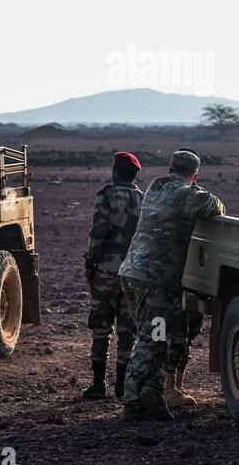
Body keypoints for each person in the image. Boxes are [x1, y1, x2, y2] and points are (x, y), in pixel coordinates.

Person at [119, 149, 225, 421]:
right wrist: (197, 189)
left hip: (133, 274)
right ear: (195, 175)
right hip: (155, 280)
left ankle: (151, 393)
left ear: (170, 167)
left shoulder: (156, 187)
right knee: (152, 340)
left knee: (156, 335)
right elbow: (216, 206)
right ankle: (132, 402)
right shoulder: (186, 195)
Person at [81, 152, 144, 400]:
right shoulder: (144, 199)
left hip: (107, 268)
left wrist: (90, 262)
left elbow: (98, 232)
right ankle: (122, 385)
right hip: (132, 269)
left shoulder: (106, 195)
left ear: (116, 172)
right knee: (128, 329)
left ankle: (98, 384)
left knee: (101, 327)